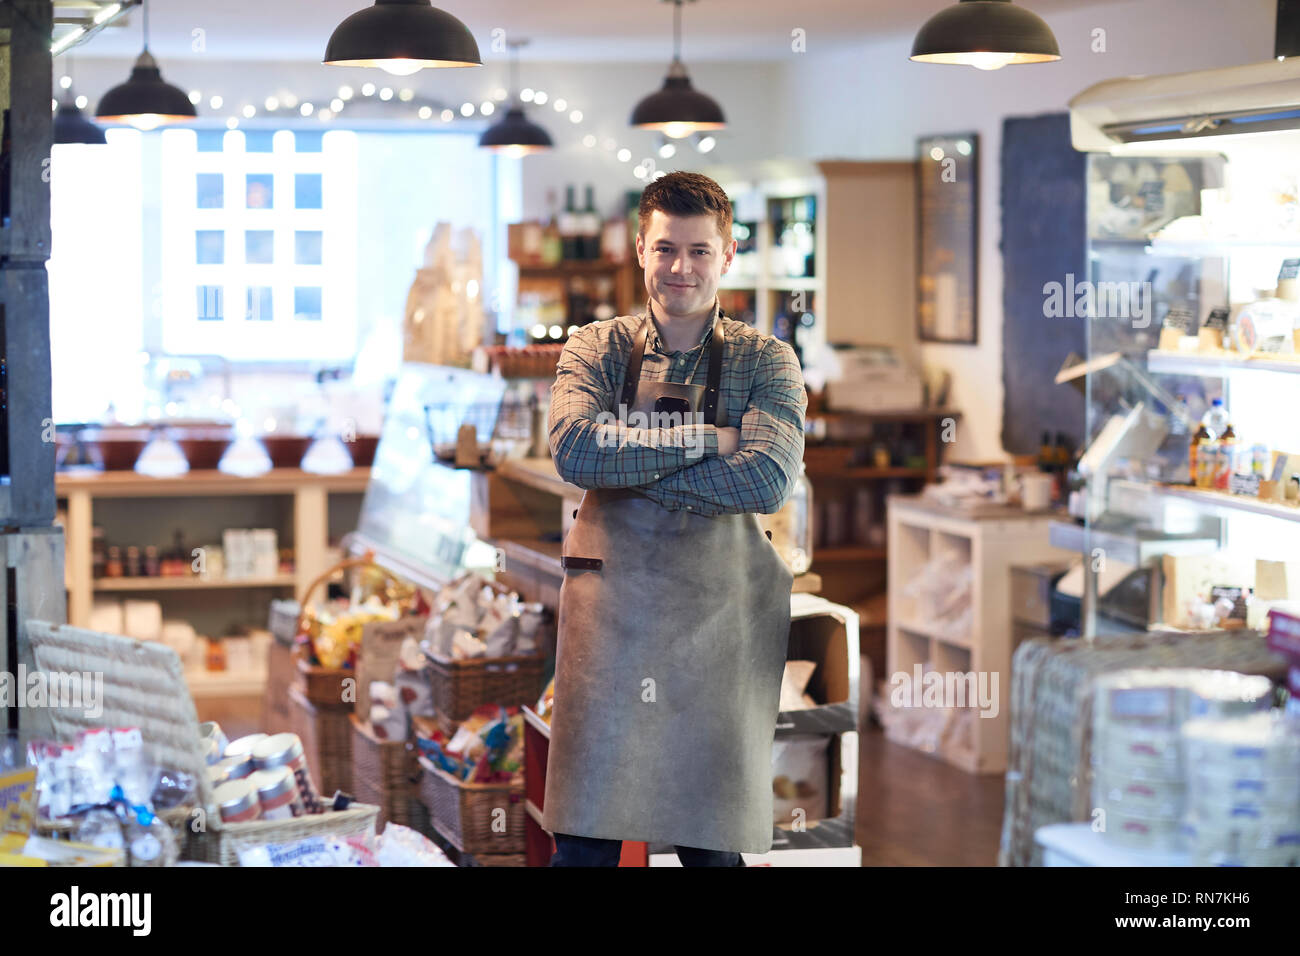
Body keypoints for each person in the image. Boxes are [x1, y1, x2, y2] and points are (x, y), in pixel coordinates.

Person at [542, 171, 807, 867]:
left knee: (711, 848)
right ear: (639, 250)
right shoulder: (595, 348)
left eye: (697, 250)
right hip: (610, 626)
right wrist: (711, 440)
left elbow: (768, 476)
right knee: (584, 845)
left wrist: (632, 458)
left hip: (717, 622)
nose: (680, 267)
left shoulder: (767, 360)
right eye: (665, 249)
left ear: (726, 256)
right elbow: (575, 450)